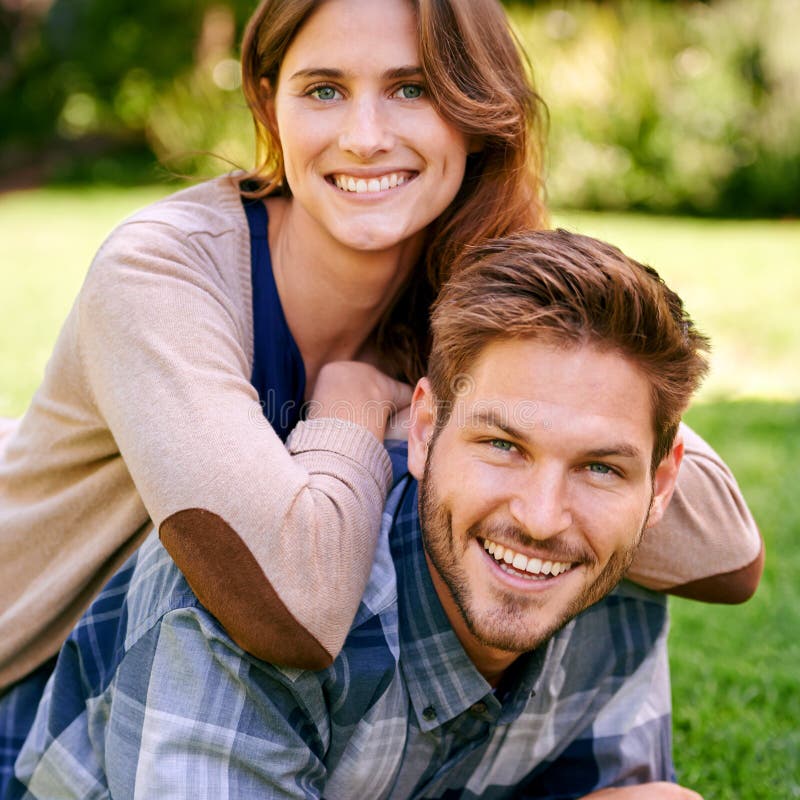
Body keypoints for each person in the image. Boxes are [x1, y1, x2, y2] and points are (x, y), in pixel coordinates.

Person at [0, 0, 761, 696]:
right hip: (32, 699)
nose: (364, 139)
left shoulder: (477, 295)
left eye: (413, 89)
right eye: (324, 89)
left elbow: (725, 551)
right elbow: (292, 613)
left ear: (478, 110)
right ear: (269, 103)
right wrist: (356, 412)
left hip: (195, 709)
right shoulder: (163, 273)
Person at [6, 230, 709, 799]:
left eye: (600, 467)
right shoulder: (245, 605)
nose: (542, 518)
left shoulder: (617, 591)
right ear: (425, 431)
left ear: (661, 480)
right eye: (502, 446)